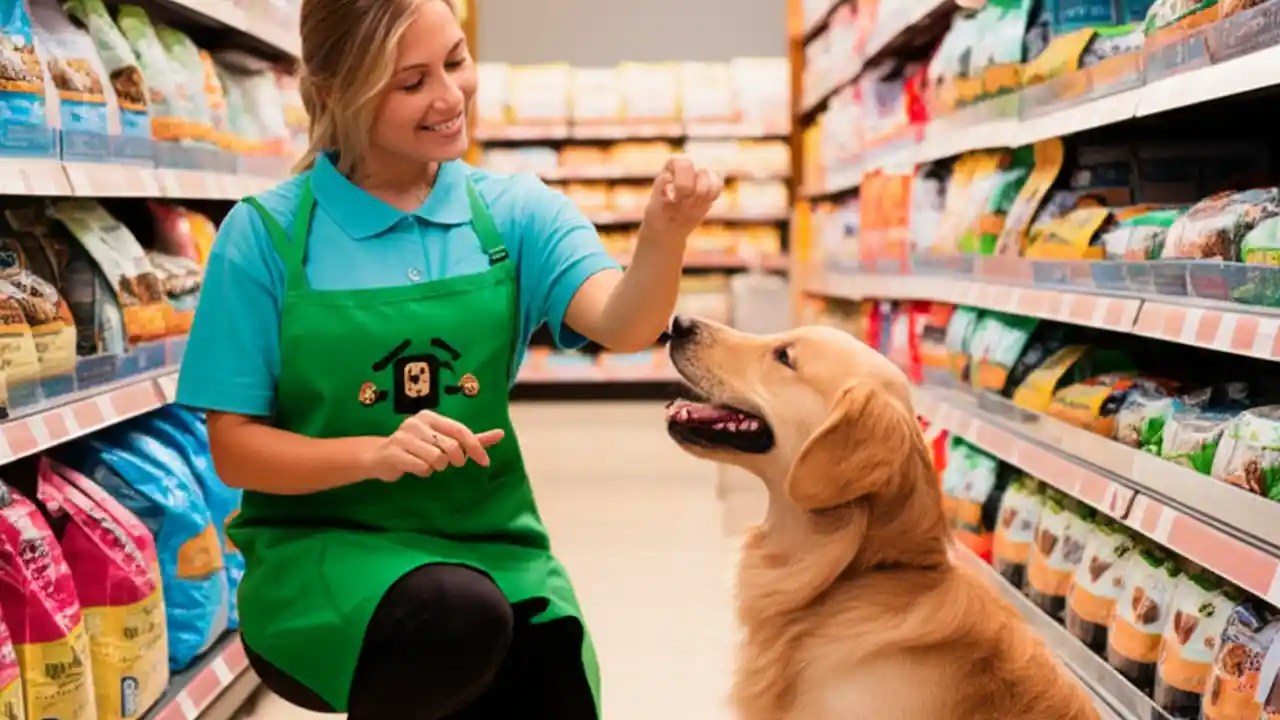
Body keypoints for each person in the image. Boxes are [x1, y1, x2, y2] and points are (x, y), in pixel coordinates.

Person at [175, 0, 722, 717]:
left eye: (457, 62)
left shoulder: (515, 213)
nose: (449, 96)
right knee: (456, 619)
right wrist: (372, 454)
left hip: (491, 542)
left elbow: (622, 324)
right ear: (341, 90)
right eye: (412, 82)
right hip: (320, 556)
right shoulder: (267, 236)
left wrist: (665, 236)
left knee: (549, 670)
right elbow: (235, 451)